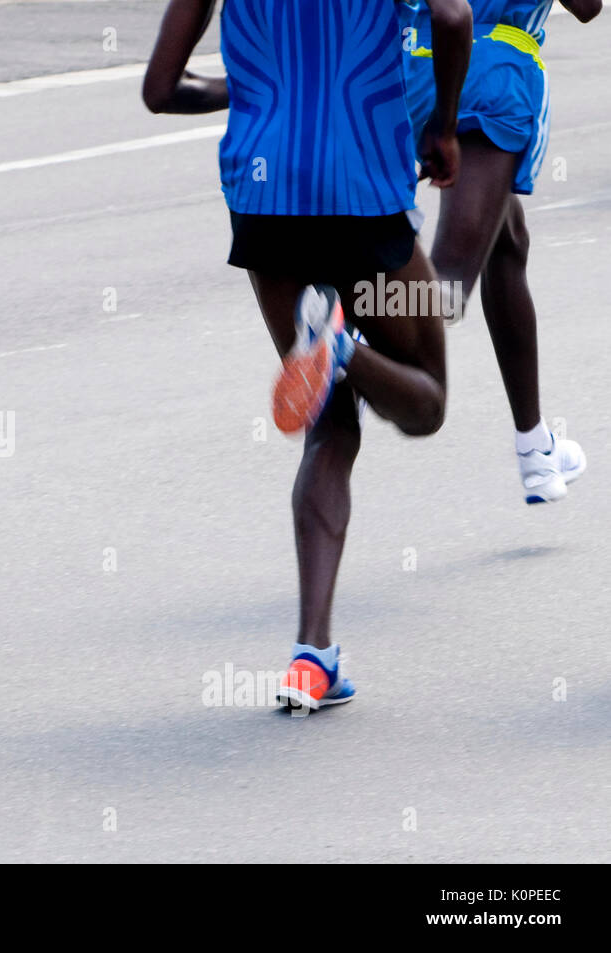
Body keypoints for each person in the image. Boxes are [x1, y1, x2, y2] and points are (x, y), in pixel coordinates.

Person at [145, 0, 472, 710]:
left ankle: (311, 656)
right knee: (428, 402)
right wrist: (443, 127)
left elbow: (160, 91)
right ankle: (345, 350)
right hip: (363, 189)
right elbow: (451, 16)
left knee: (329, 425)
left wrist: (261, 88)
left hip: (266, 195)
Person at [400, 0, 599, 504]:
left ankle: (536, 448)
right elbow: (588, 7)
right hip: (490, 78)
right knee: (446, 289)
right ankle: (348, 331)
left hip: (413, 70)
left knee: (508, 241)